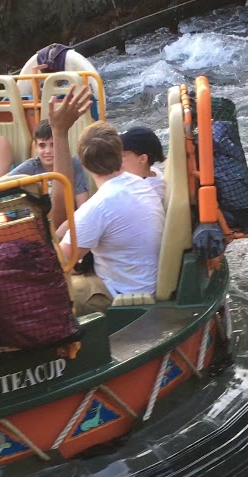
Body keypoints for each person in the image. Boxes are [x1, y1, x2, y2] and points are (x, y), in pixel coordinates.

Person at [47, 87, 165, 315]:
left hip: (122, 293)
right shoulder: (144, 183)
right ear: (119, 154)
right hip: (141, 281)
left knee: (45, 293)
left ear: (83, 164)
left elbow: (57, 263)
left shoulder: (99, 207)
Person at [8, 120, 91, 229]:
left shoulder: (74, 165)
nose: (48, 151)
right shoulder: (30, 167)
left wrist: (62, 230)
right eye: (42, 146)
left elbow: (83, 209)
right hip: (35, 227)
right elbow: (0, 183)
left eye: (53, 145)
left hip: (69, 226)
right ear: (36, 147)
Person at [119, 126, 166, 205]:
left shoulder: (148, 193)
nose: (117, 160)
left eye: (123, 156)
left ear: (142, 159)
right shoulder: (152, 171)